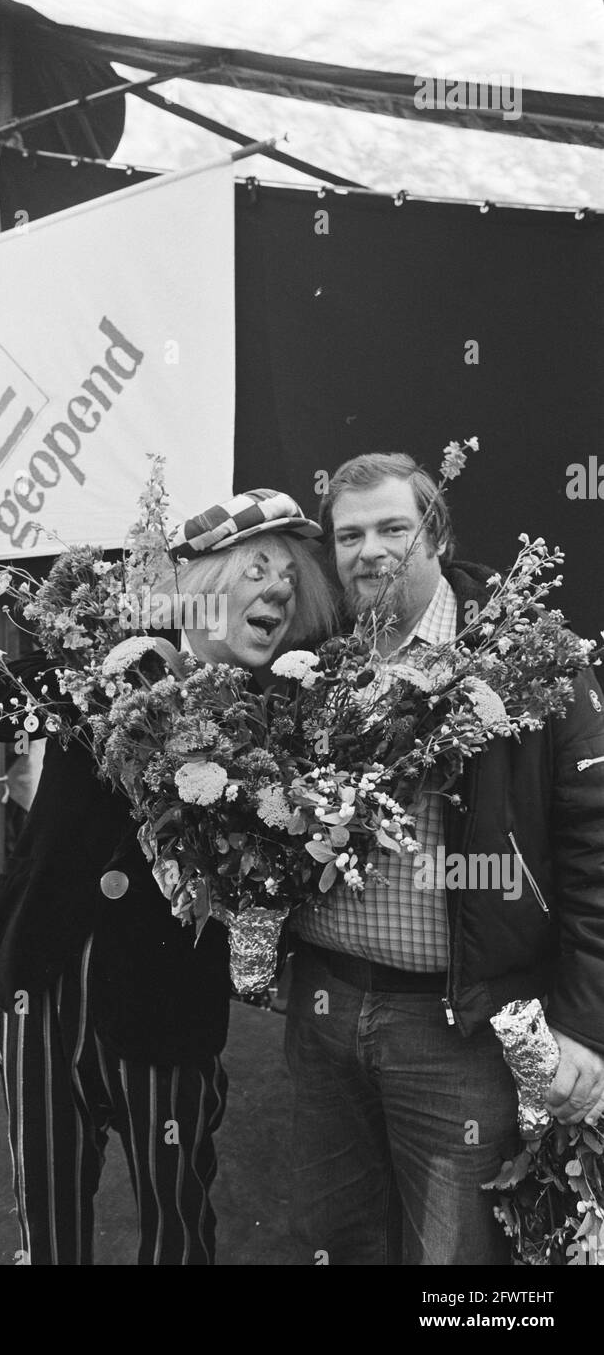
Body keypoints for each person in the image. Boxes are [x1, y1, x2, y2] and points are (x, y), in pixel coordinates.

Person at [0, 489, 336, 1265]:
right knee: (49, 1217)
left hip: (167, 1008)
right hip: (41, 979)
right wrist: (80, 668)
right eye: (256, 569)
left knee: (177, 1221)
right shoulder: (113, 653)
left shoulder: (287, 721)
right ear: (204, 582)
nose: (277, 590)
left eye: (291, 582)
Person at [285, 451, 604, 1266]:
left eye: (395, 526)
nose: (371, 550)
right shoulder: (312, 661)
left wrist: (586, 1028)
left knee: (458, 1270)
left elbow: (594, 849)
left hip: (460, 1028)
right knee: (341, 1240)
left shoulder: (529, 655)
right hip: (323, 1008)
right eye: (349, 534)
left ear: (437, 534)